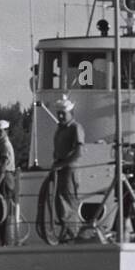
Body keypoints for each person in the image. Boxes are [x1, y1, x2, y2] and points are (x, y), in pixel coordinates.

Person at [52, 96, 85, 241]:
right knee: (60, 202)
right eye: (58, 113)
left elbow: (79, 152)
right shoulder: (60, 128)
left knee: (69, 202)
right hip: (61, 169)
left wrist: (62, 163)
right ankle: (66, 233)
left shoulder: (75, 128)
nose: (60, 116)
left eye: (63, 113)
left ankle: (72, 235)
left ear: (71, 112)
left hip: (69, 169)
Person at [0, 119, 17, 246]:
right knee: (1, 213)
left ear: (6, 131)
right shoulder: (2, 144)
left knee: (3, 213)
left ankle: (2, 243)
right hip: (5, 178)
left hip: (6, 179)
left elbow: (4, 166)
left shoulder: (5, 145)